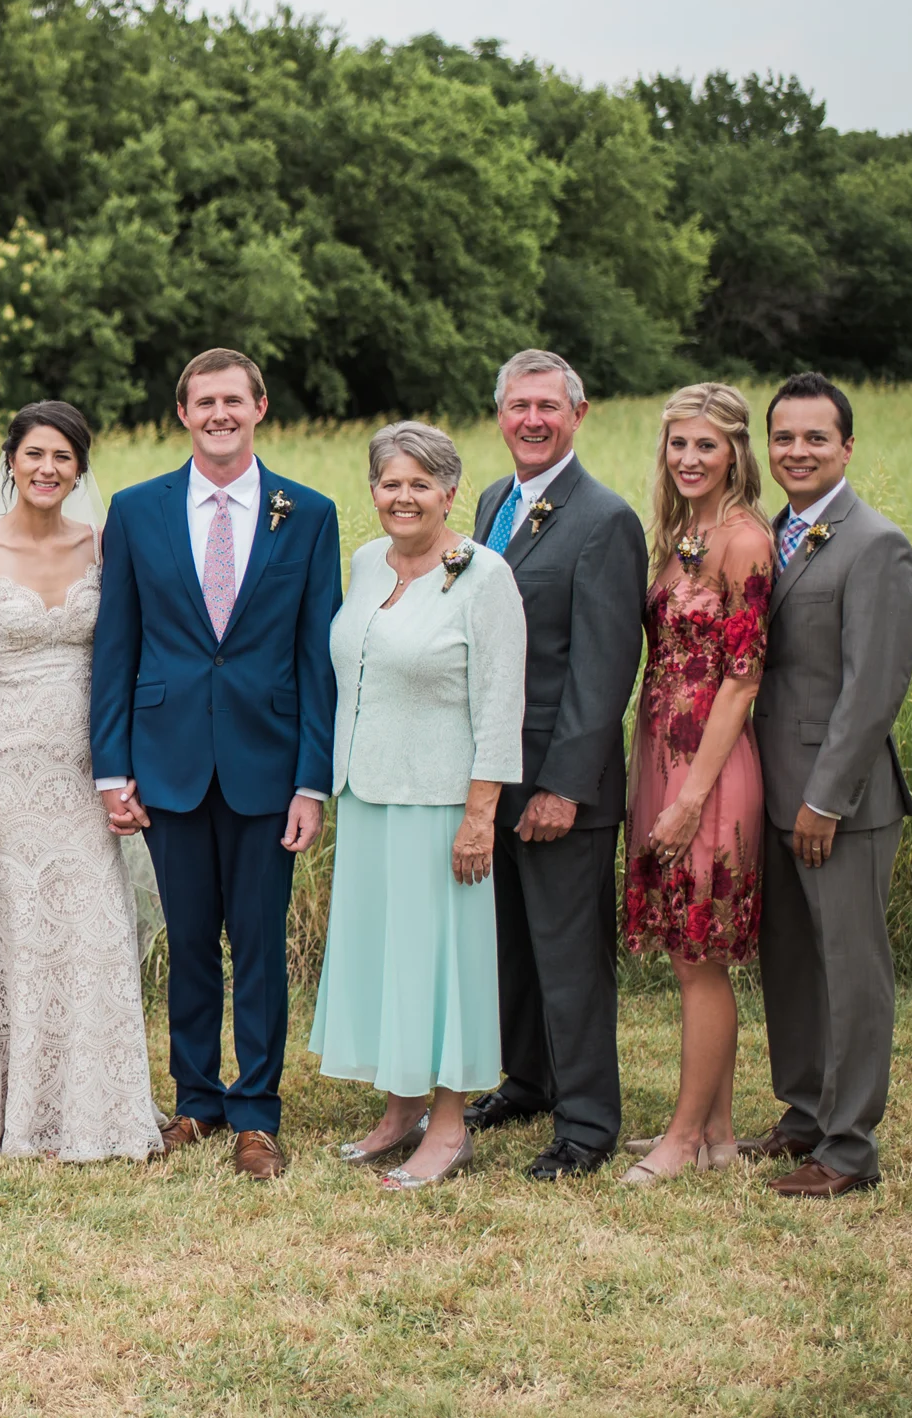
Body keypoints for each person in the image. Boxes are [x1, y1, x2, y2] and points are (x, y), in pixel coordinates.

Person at [90, 347, 342, 1181]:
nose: (220, 414)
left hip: (269, 768)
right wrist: (111, 766)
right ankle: (195, 1101)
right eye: (205, 402)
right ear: (183, 413)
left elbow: (318, 659)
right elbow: (118, 645)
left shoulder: (305, 513)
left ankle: (257, 1114)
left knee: (260, 943)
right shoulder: (137, 510)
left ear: (260, 407)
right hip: (167, 763)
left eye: (234, 400)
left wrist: (313, 780)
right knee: (191, 941)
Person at [0, 402, 162, 1163]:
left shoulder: (103, 546)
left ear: (80, 469)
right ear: (12, 461)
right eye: (35, 454)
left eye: (63, 457)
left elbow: (128, 659)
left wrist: (128, 767)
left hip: (88, 768)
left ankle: (99, 1108)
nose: (48, 469)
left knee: (92, 925)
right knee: (16, 927)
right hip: (5, 764)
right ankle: (7, 1108)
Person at [311, 423, 526, 1190]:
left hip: (443, 803)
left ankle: (447, 1124)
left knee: (441, 963)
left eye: (419, 484)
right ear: (373, 491)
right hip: (369, 793)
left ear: (449, 492)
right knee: (389, 956)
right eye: (389, 483)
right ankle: (400, 1110)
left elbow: (501, 704)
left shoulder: (485, 575)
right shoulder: (368, 563)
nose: (403, 497)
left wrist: (480, 815)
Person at [462, 349, 648, 1182]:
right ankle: (529, 1080)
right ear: (499, 416)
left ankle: (586, 1123)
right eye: (516, 406)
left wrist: (565, 786)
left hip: (556, 782)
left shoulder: (604, 519)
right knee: (512, 948)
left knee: (569, 957)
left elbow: (604, 670)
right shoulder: (495, 501)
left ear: (577, 414)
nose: (531, 420)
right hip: (493, 775)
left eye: (547, 405)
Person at [746, 372, 912, 1198]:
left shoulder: (873, 543)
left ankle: (850, 1148)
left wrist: (825, 798)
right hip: (768, 792)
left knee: (850, 971)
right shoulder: (771, 534)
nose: (798, 451)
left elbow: (873, 686)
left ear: (847, 446)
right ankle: (806, 1114)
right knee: (789, 964)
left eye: (816, 437)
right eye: (784, 437)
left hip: (838, 804)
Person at [620, 382, 774, 1184]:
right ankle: (715, 1133)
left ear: (735, 454)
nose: (689, 459)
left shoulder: (744, 540)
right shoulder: (681, 531)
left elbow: (743, 682)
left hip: (709, 771)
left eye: (706, 446)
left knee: (699, 957)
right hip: (659, 754)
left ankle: (680, 1140)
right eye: (678, 444)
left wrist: (689, 799)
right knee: (691, 952)